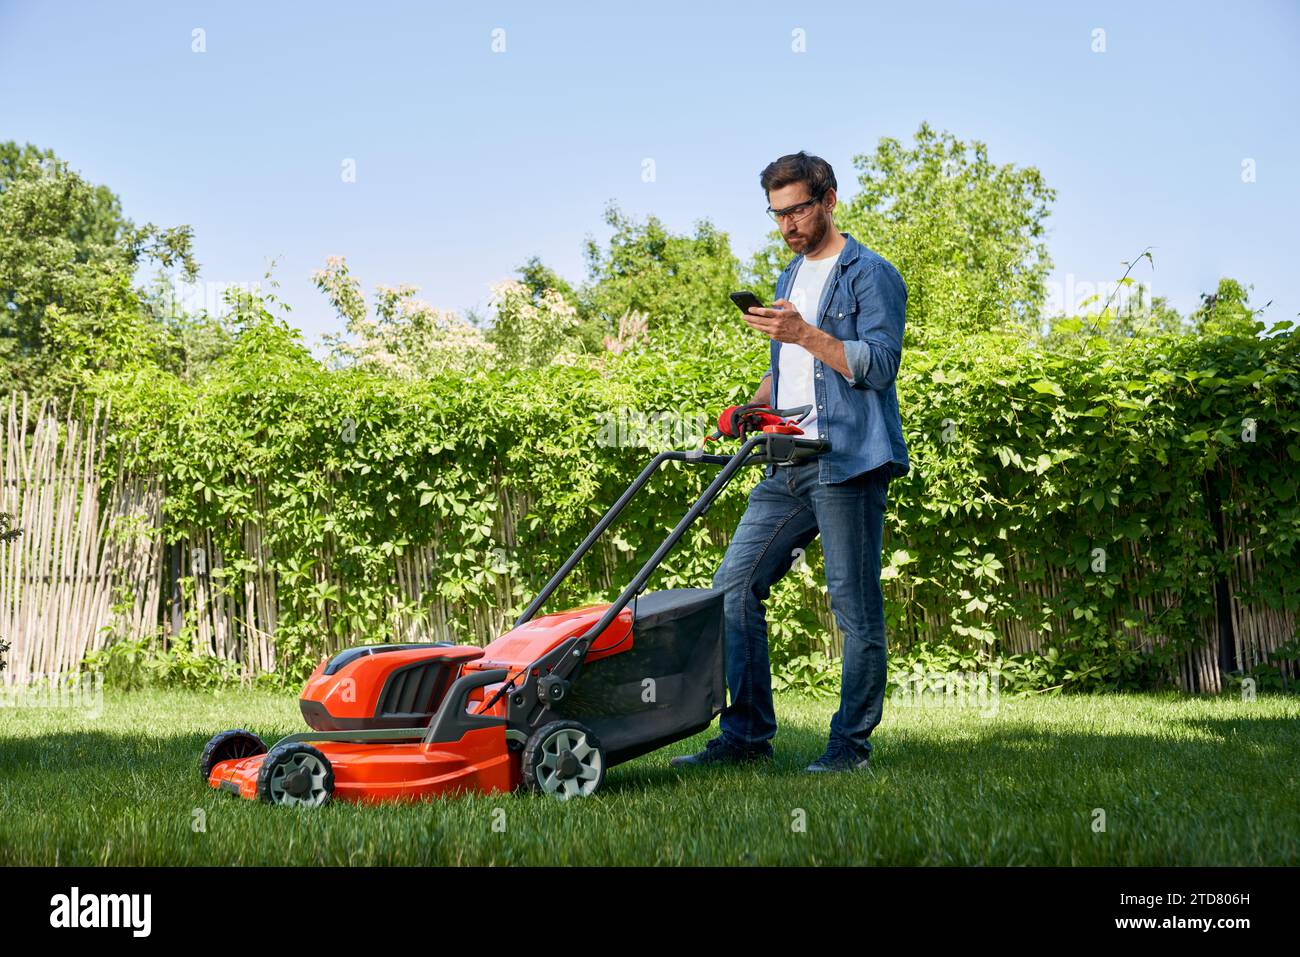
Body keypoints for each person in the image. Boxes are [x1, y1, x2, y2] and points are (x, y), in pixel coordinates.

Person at [670, 151, 909, 773]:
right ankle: (747, 738)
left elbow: (878, 366)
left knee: (853, 607)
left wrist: (804, 333)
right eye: (776, 214)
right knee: (732, 589)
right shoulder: (788, 278)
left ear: (829, 200)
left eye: (797, 210)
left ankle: (849, 747)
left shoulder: (869, 274)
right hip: (788, 462)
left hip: (848, 460)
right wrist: (746, 409)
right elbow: (793, 374)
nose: (787, 226)